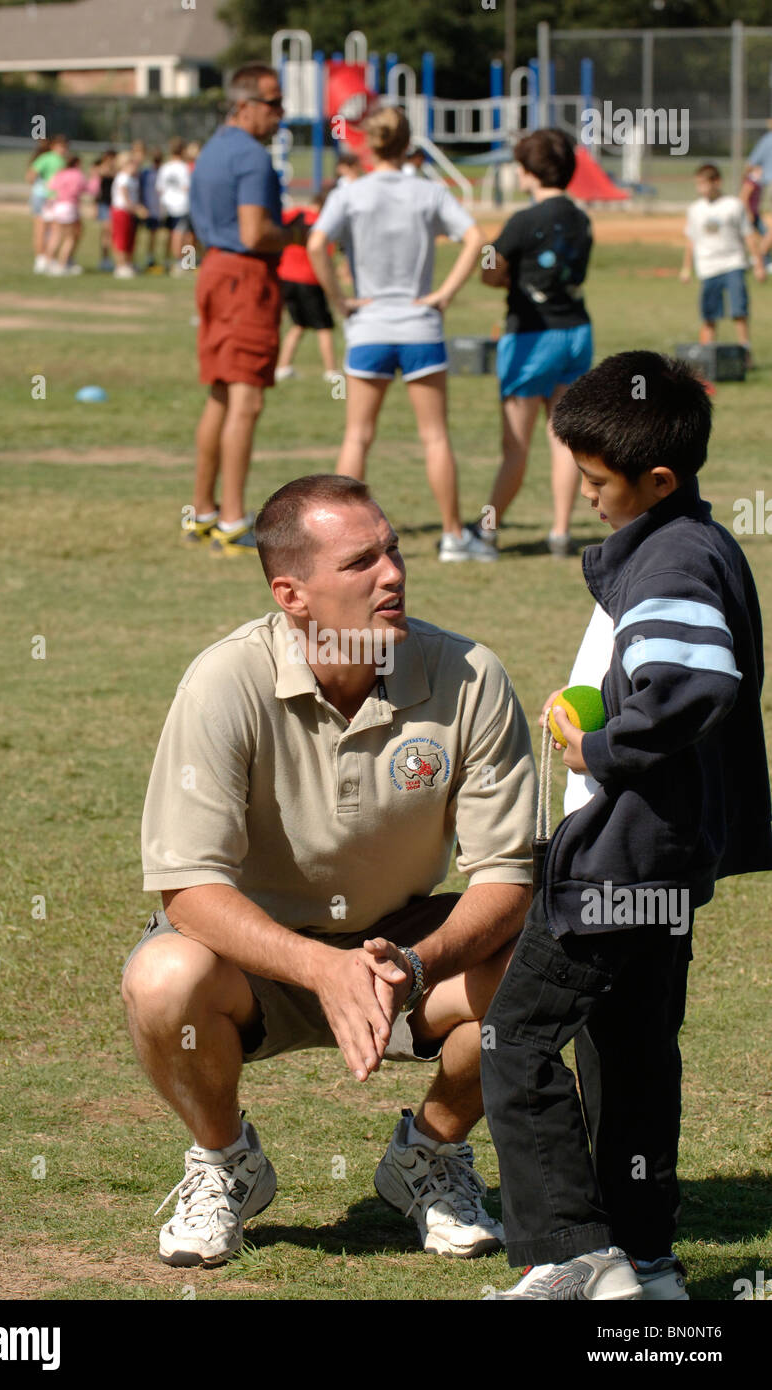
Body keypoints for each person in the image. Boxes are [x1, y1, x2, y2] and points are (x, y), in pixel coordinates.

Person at [122, 474, 537, 1268]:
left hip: (405, 946)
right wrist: (322, 968)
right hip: (258, 951)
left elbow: (506, 880)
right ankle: (223, 1164)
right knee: (162, 979)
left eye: (394, 550)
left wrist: (409, 964)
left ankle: (431, 1155)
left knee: (540, 972)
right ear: (292, 593)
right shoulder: (224, 680)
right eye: (359, 563)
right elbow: (188, 886)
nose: (392, 574)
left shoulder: (470, 675)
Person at [479, 351, 772, 1300]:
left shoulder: (674, 556)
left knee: (515, 1040)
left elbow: (693, 683)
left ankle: (571, 1252)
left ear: (657, 479)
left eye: (597, 482)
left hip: (620, 859)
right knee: (630, 1057)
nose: (585, 495)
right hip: (662, 863)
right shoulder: (689, 540)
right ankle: (645, 1264)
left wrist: (596, 749)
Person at [308, 108, 489, 562]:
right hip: (419, 325)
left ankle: (338, 539)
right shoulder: (428, 191)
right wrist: (443, 294)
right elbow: (476, 238)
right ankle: (452, 537)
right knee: (435, 437)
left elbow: (315, 244)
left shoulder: (351, 193)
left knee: (357, 436)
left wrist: (341, 301)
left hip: (368, 327)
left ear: (367, 144)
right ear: (408, 142)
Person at [185, 64, 305, 553]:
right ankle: (234, 520)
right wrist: (296, 233)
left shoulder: (211, 150)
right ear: (245, 104)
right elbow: (256, 232)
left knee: (219, 394)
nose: (281, 114)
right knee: (246, 400)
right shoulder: (253, 158)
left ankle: (203, 511)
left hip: (215, 270)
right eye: (274, 103)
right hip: (245, 277)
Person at [480, 128, 594, 561]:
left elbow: (488, 265)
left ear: (527, 171)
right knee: (563, 440)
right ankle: (561, 532)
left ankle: (487, 532)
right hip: (577, 334)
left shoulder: (524, 220)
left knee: (515, 445)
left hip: (530, 337)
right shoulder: (581, 218)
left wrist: (497, 268)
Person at [681, 163, 765, 366]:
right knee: (709, 314)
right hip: (708, 268)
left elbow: (748, 235)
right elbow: (691, 240)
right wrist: (686, 267)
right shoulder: (695, 209)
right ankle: (706, 358)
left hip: (733, 263)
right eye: (698, 185)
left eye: (704, 184)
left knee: (739, 310)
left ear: (716, 182)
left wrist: (758, 263)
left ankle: (745, 354)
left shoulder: (733, 205)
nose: (701, 189)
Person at [275, 192, 337, 384]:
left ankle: (283, 367)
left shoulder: (294, 214)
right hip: (309, 279)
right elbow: (324, 256)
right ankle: (331, 371)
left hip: (285, 276)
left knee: (298, 324)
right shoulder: (322, 225)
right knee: (324, 327)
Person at [44, 154, 98, 276]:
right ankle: (62, 264)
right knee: (70, 238)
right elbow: (90, 190)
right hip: (69, 207)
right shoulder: (77, 175)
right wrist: (95, 177)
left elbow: (50, 186)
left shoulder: (60, 174)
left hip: (57, 206)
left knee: (55, 236)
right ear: (77, 163)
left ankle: (47, 262)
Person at [26, 133, 68, 273]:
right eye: (60, 146)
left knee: (54, 230)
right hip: (42, 197)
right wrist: (42, 187)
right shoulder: (46, 158)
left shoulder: (63, 161)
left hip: (55, 199)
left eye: (64, 147)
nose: (62, 149)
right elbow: (31, 175)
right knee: (41, 229)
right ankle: (40, 259)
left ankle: (50, 258)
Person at [156, 137, 193, 275]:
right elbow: (186, 187)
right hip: (182, 205)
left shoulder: (165, 167)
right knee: (182, 234)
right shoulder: (184, 168)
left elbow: (160, 188)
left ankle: (170, 261)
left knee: (171, 234)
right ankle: (182, 263)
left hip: (167, 205)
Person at [110, 151, 145, 279]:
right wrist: (138, 209)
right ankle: (121, 265)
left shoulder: (132, 178)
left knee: (130, 239)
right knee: (121, 239)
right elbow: (125, 198)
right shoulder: (123, 178)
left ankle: (128, 263)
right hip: (121, 211)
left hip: (129, 212)